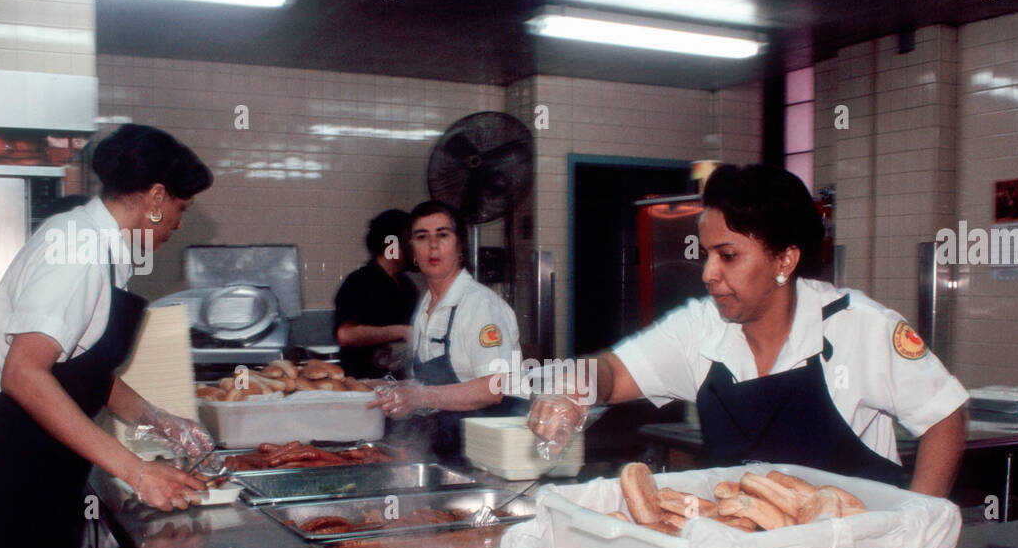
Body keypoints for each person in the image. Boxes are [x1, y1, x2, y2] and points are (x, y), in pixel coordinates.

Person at [529, 164, 969, 496]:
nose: (708, 273)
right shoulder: (701, 327)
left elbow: (945, 415)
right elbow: (612, 372)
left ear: (785, 260)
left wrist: (917, 519)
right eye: (706, 254)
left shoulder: (859, 327)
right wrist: (572, 387)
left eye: (728, 255)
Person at [0, 124, 214, 548]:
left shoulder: (106, 253)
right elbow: (24, 375)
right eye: (179, 209)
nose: (177, 224)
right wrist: (137, 471)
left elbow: (84, 371)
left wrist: (155, 418)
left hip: (35, 470)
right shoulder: (77, 248)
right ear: (155, 196)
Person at [372, 200, 525, 459]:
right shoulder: (426, 306)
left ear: (460, 248)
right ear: (413, 252)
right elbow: (432, 384)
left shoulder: (480, 305)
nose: (433, 246)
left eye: (443, 235)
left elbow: (494, 387)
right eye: (422, 237)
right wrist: (385, 388)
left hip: (491, 455)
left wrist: (419, 396)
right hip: (449, 449)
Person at [333, 208, 420, 379]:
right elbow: (346, 335)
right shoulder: (359, 282)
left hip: (400, 382)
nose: (415, 248)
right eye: (410, 242)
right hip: (363, 384)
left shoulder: (407, 286)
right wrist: (400, 331)